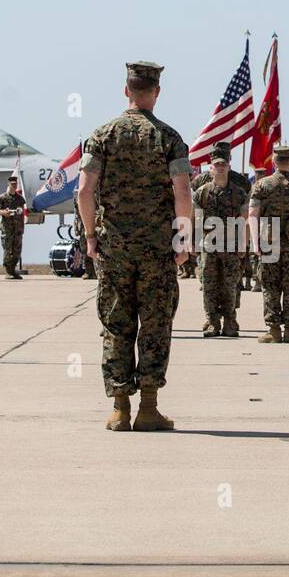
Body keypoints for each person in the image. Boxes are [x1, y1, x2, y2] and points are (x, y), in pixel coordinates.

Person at [76, 60, 192, 432]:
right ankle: (150, 408)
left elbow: (84, 190)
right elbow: (183, 191)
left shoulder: (102, 136)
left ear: (126, 90)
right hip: (157, 250)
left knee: (116, 323)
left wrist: (92, 235)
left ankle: (120, 408)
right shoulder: (170, 139)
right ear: (156, 92)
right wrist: (183, 238)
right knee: (155, 325)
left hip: (115, 250)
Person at [194, 145, 249, 337]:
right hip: (208, 246)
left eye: (223, 164)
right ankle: (212, 321)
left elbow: (244, 220)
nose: (220, 167)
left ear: (228, 166)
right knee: (209, 285)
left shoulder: (238, 193)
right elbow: (195, 219)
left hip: (231, 247)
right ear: (211, 166)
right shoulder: (201, 192)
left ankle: (230, 321)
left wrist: (244, 244)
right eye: (217, 164)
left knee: (230, 285)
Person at [249, 144, 289, 343]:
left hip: (268, 243)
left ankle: (273, 330)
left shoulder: (262, 185)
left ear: (274, 162)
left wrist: (255, 242)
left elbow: (253, 214)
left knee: (270, 286)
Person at [0, 175, 26, 279]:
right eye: (12, 184)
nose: (14, 186)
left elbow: (22, 212)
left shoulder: (20, 198)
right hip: (7, 228)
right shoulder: (3, 197)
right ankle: (8, 271)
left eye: (15, 184)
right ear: (8, 184)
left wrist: (22, 227)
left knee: (17, 250)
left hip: (18, 229)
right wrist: (3, 212)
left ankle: (13, 270)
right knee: (8, 250)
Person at [72, 190, 97, 278]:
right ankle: (88, 271)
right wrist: (76, 227)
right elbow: (77, 215)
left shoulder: (92, 195)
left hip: (92, 224)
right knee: (84, 249)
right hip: (84, 226)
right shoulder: (78, 197)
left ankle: (94, 271)